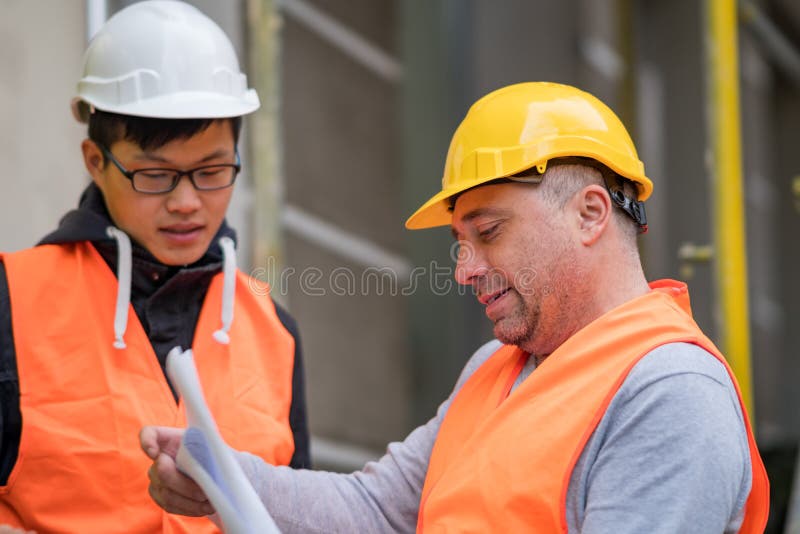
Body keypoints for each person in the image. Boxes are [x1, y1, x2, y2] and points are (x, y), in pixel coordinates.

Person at [142, 82, 770, 533]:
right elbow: (379, 511)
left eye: (488, 233)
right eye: (458, 243)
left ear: (589, 214)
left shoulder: (670, 394)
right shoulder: (495, 369)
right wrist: (222, 478)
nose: (464, 270)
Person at [0, 1, 310, 532]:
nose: (187, 201)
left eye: (212, 170)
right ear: (96, 161)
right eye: (155, 174)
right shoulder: (11, 299)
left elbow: (297, 511)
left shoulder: (275, 332)